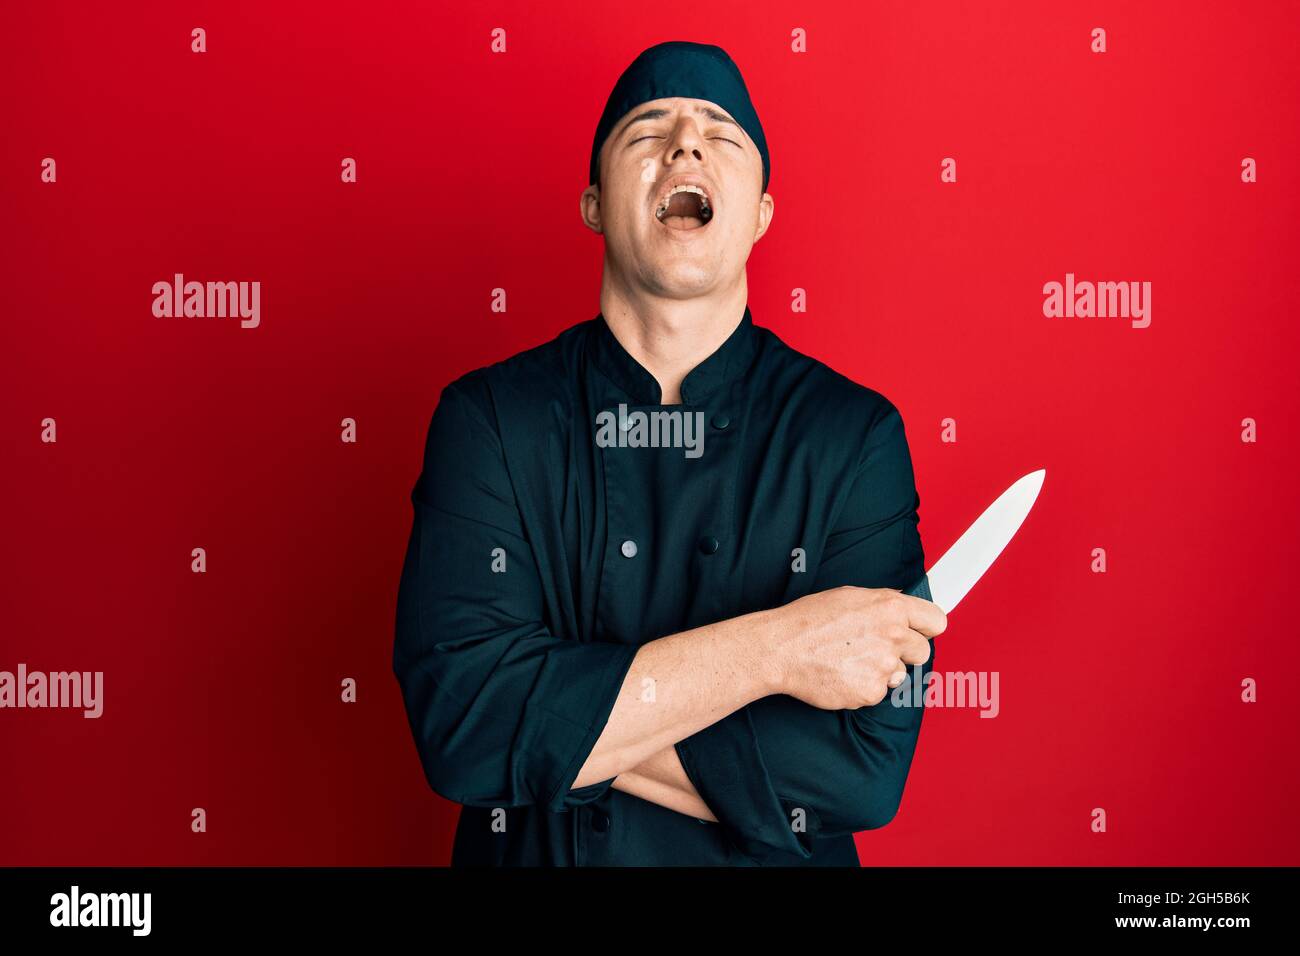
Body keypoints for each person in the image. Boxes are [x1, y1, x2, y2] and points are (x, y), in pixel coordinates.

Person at [393, 39, 947, 866]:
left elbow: (862, 771)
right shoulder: (491, 420)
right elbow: (461, 728)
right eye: (646, 130)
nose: (685, 141)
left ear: (761, 210)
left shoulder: (852, 435)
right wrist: (779, 650)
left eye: (721, 134)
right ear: (592, 203)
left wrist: (557, 729)